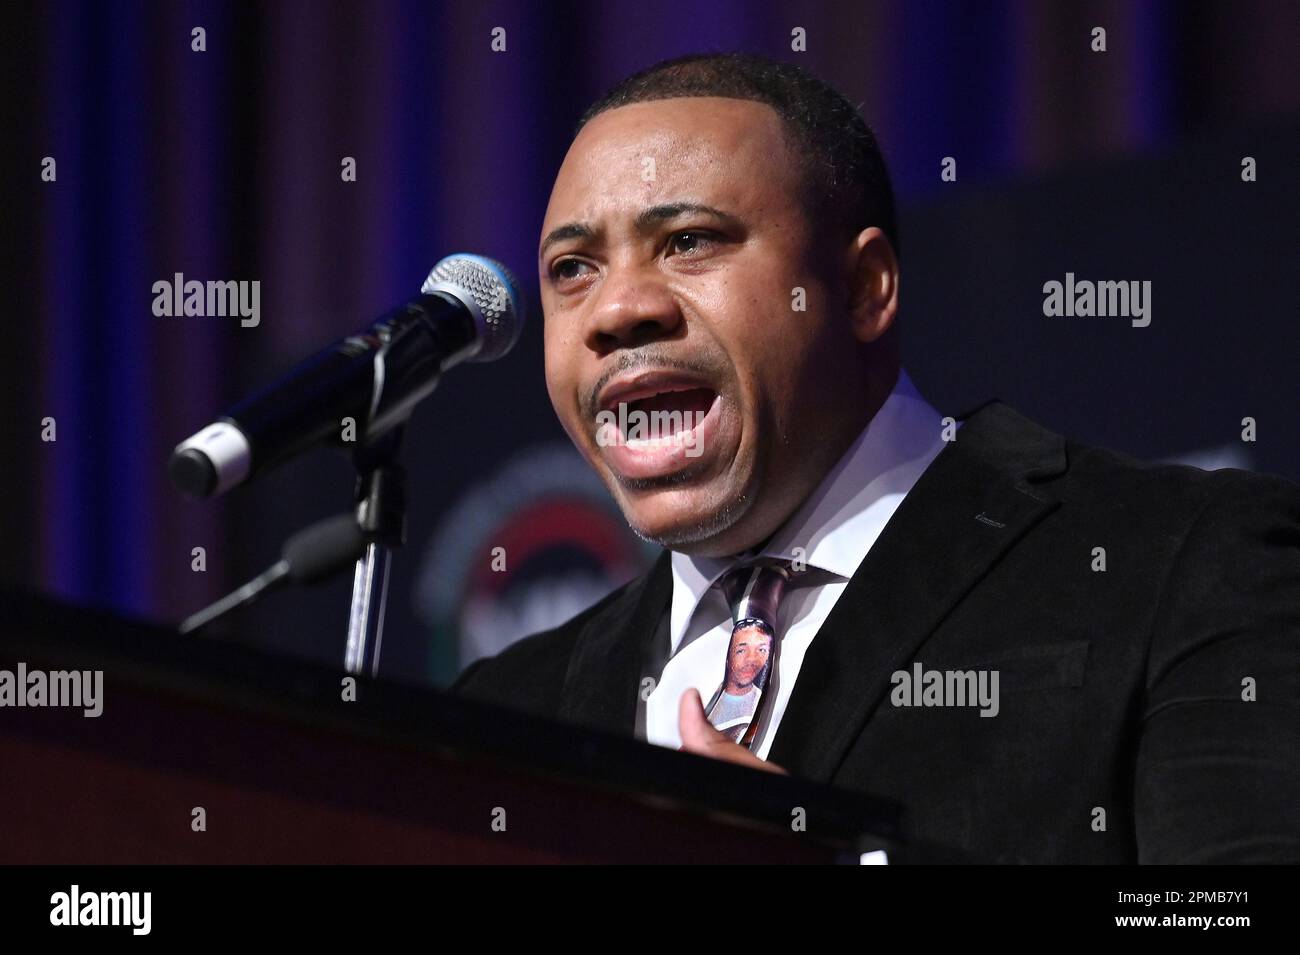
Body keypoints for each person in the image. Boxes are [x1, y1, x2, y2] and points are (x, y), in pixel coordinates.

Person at [452, 52, 1300, 862]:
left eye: (689, 242)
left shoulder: (1183, 559)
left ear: (863, 290)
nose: (617, 309)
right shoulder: (501, 711)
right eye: (572, 268)